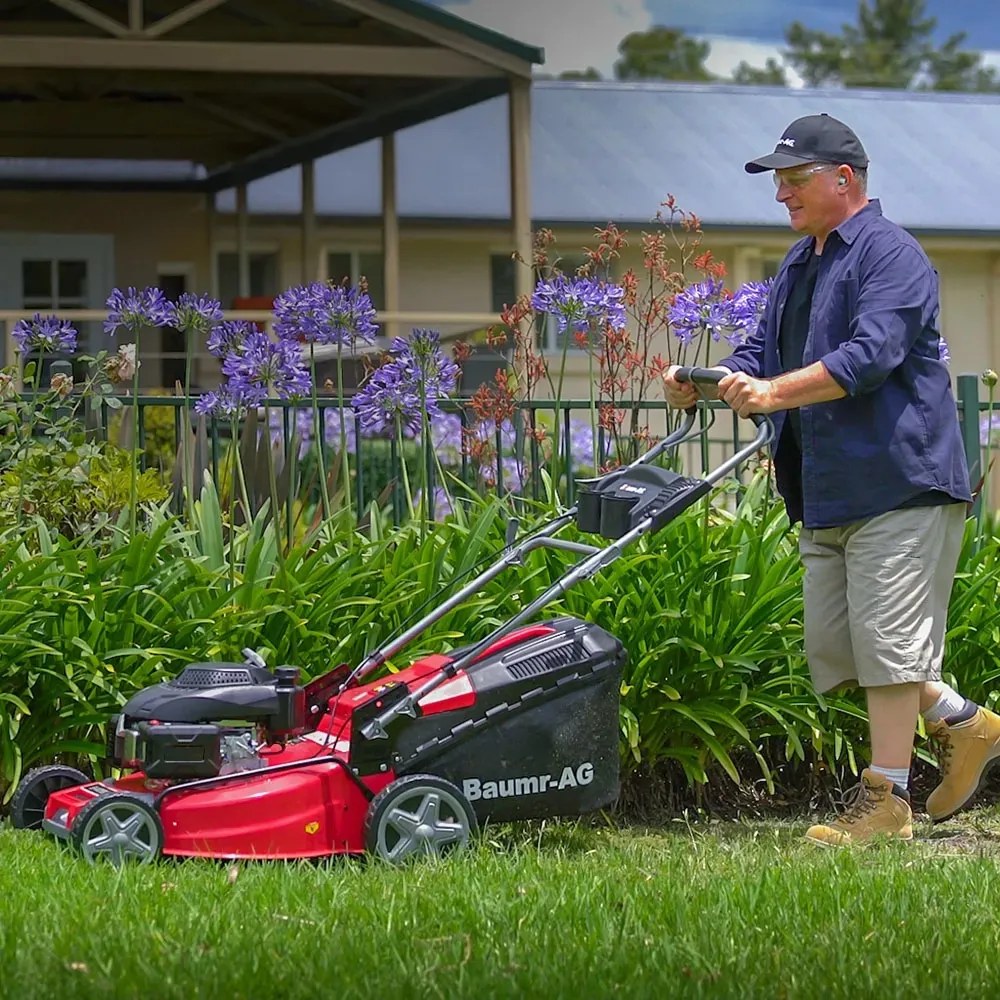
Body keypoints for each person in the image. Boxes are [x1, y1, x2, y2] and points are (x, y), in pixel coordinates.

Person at [663, 113, 1000, 846]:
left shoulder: (893, 256)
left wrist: (776, 395)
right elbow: (758, 350)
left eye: (793, 177)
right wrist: (710, 378)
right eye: (777, 180)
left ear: (843, 179)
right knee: (847, 650)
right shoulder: (798, 263)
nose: (781, 192)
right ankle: (962, 723)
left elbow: (870, 356)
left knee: (885, 648)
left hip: (897, 480)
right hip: (824, 485)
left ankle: (886, 804)